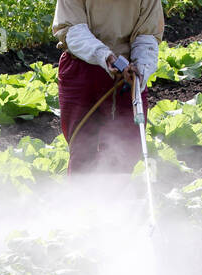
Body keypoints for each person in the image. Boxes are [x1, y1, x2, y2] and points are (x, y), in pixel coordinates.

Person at [52, 0, 164, 174]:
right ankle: (80, 198)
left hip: (128, 72)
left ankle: (118, 197)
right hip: (82, 68)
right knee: (83, 149)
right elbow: (73, 31)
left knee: (126, 148)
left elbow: (146, 36)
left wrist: (141, 67)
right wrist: (106, 57)